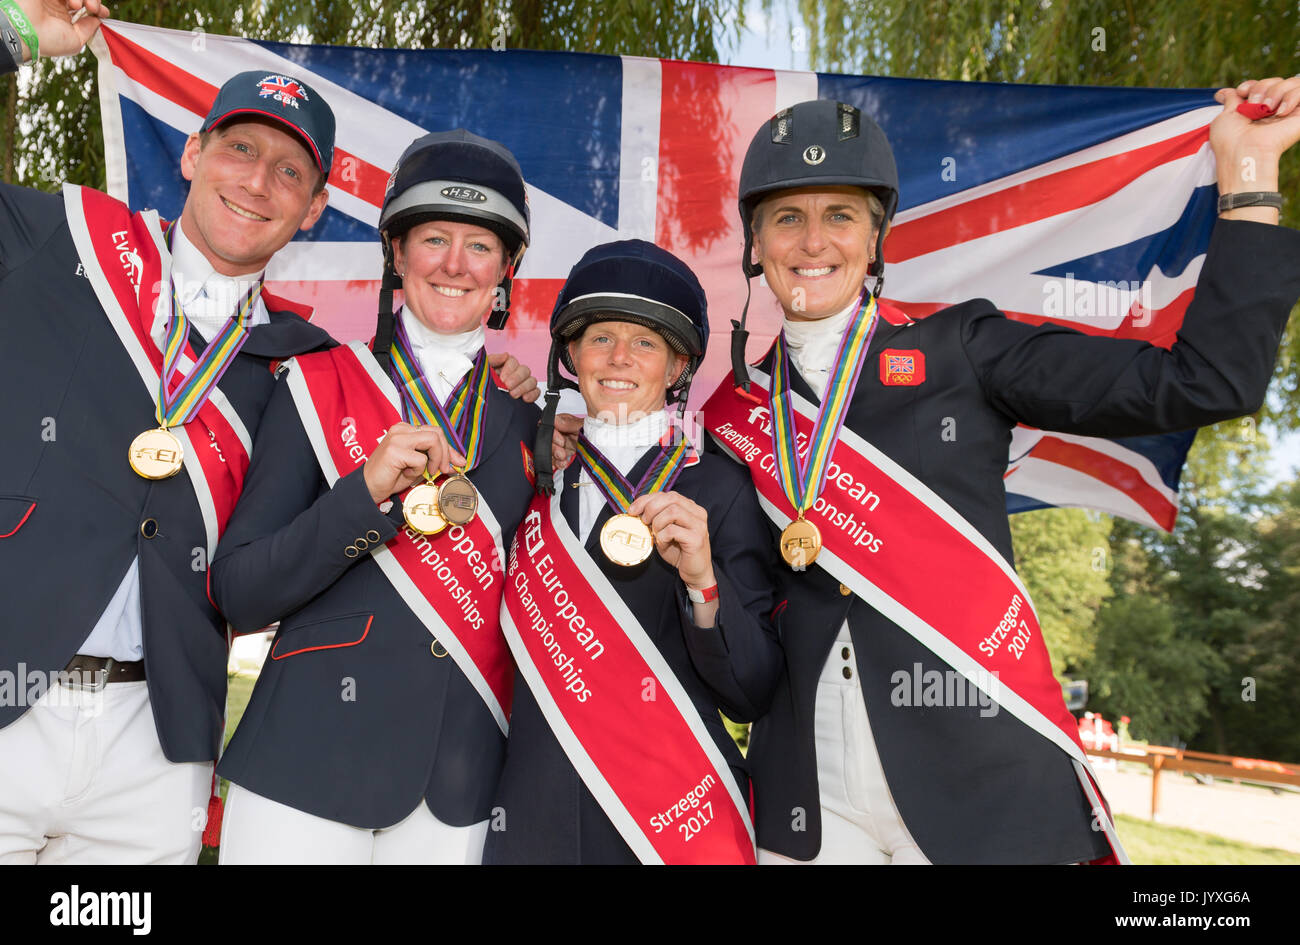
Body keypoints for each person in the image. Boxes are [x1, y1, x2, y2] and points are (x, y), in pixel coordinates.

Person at [693, 87, 1300, 864]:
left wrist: (1248, 175)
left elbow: (1203, 382)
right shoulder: (731, 415)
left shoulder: (964, 347)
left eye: (840, 215)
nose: (813, 240)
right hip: (806, 798)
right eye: (788, 217)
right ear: (755, 244)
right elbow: (737, 641)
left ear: (877, 238)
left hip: (979, 784)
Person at [0, 0, 340, 864]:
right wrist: (15, 33)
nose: (257, 181)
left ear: (314, 210)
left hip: (158, 745)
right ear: (191, 153)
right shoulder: (62, 238)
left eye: (289, 171)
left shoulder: (303, 363)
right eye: (239, 147)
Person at [210, 129, 541, 864]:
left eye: (481, 246)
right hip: (305, 769)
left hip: (460, 787)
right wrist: (360, 494)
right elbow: (241, 591)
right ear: (395, 252)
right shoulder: (318, 382)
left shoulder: (532, 419)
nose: (455, 265)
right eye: (433, 239)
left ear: (508, 268)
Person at [485, 239, 783, 864]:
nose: (619, 358)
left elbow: (749, 691)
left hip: (674, 815)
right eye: (600, 338)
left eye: (645, 342)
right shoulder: (531, 478)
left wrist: (703, 585)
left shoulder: (720, 488)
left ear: (678, 367)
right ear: (570, 352)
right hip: (538, 816)